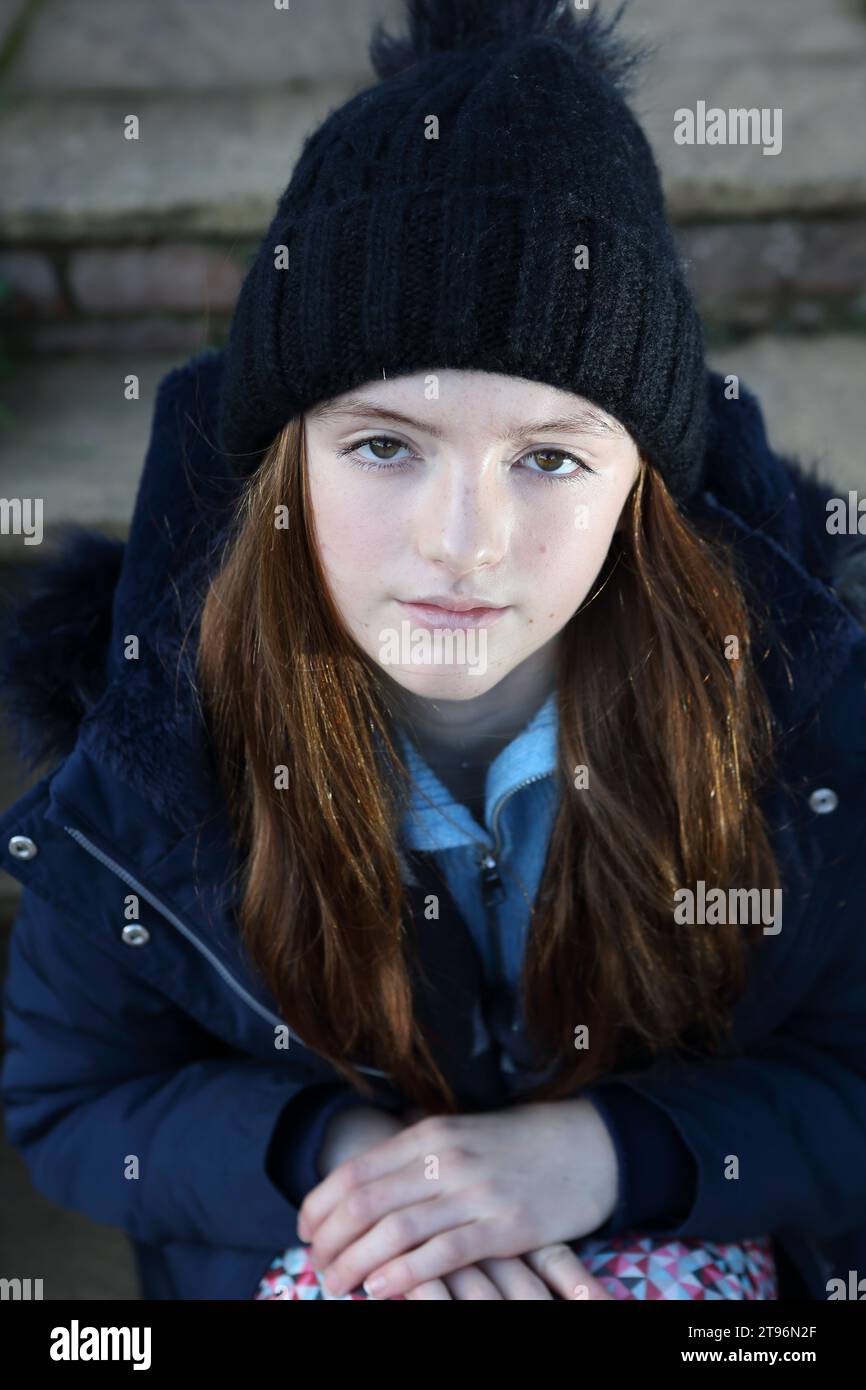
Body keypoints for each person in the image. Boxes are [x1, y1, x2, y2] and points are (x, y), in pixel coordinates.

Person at [1, 0, 865, 1302]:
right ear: (283, 461)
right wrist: (339, 1161)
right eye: (385, 445)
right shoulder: (150, 755)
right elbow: (76, 1102)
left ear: (644, 489)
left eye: (549, 457)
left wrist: (619, 1151)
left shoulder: (804, 722)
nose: (462, 543)